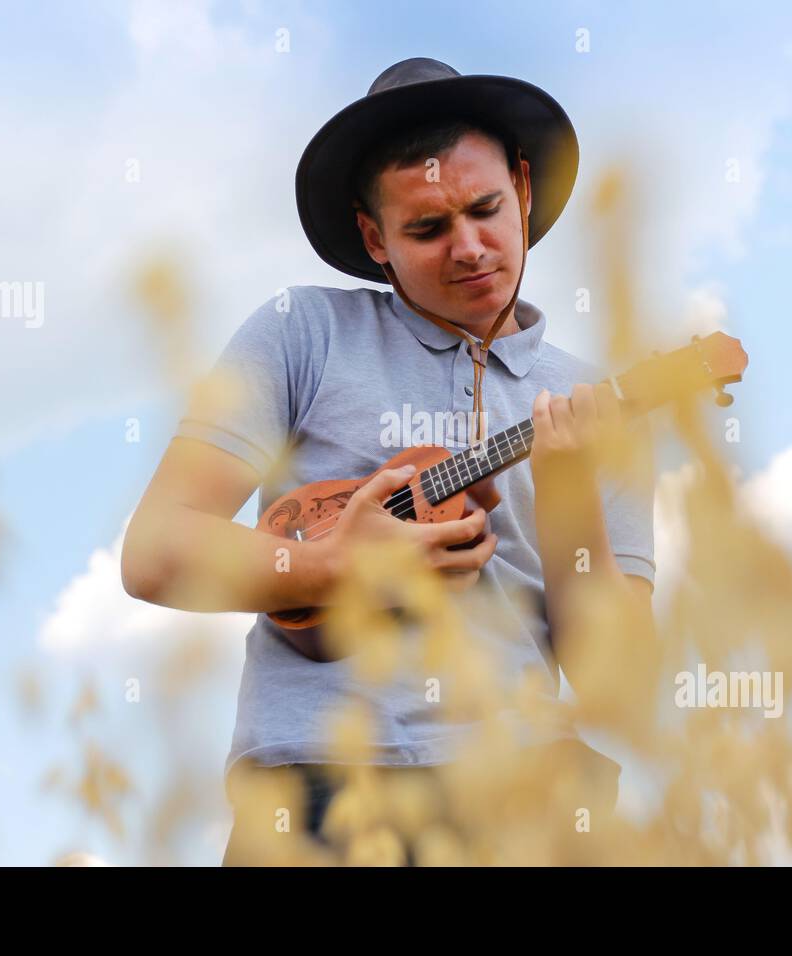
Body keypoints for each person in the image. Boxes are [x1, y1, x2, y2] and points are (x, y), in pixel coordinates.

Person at [121, 57, 655, 865]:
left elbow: (621, 687)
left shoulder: (588, 399)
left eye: (485, 210)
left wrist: (571, 496)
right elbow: (156, 551)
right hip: (315, 797)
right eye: (427, 229)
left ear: (523, 187)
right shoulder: (302, 332)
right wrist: (335, 566)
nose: (469, 248)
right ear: (375, 238)